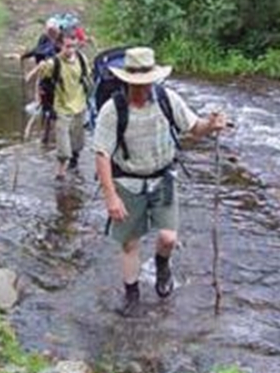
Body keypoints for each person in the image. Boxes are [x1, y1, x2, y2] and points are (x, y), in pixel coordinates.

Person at [93, 47, 229, 317]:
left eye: (146, 83)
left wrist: (211, 125)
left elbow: (194, 127)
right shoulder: (112, 109)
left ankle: (162, 265)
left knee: (168, 237)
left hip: (163, 180)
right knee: (130, 243)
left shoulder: (168, 99)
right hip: (128, 183)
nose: (142, 89)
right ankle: (132, 295)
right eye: (136, 84)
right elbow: (102, 154)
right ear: (126, 81)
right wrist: (111, 197)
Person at [36, 31, 90, 180]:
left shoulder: (82, 59)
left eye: (73, 46)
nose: (70, 50)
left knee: (77, 146)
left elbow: (86, 78)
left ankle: (74, 173)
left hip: (80, 106)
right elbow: (41, 82)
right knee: (64, 151)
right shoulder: (53, 63)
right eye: (67, 46)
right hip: (62, 109)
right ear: (60, 45)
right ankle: (60, 175)